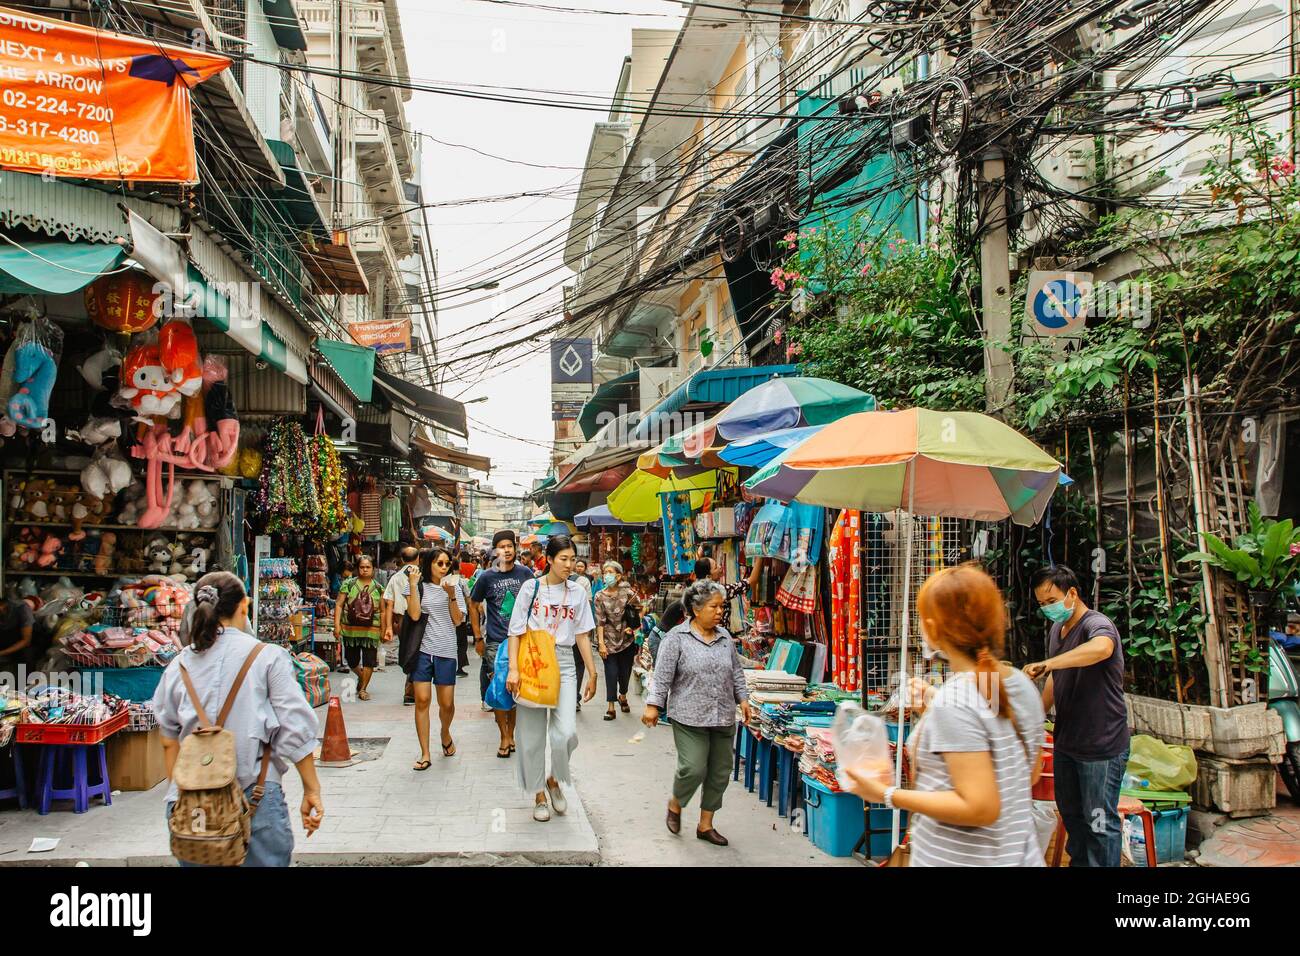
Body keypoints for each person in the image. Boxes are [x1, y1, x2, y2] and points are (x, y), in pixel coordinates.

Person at [843, 563, 1045, 867]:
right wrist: (933, 708)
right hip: (1017, 855)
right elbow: (1025, 773)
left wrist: (887, 793)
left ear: (934, 629)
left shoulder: (957, 700)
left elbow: (979, 806)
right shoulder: (1017, 684)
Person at [152, 572, 323, 867]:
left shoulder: (178, 665)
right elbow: (295, 728)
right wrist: (312, 790)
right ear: (244, 606)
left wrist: (184, 794)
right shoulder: (268, 657)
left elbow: (169, 741)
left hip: (193, 809)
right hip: (255, 797)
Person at [1024, 565, 1128, 867]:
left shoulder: (1096, 624)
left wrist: (1049, 662)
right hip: (1067, 743)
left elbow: (1101, 649)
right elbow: (1056, 679)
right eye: (1042, 604)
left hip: (1102, 746)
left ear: (1072, 593)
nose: (1048, 608)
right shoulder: (1058, 630)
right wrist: (1035, 716)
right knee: (1072, 819)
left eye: (1052, 600)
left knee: (1099, 824)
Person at [643, 580, 751, 847]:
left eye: (721, 606)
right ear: (695, 607)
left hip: (723, 714)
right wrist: (653, 705)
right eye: (714, 606)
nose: (719, 611)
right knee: (692, 767)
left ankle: (705, 825)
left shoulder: (724, 637)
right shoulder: (676, 638)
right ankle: (676, 802)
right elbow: (663, 675)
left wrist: (744, 698)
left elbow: (735, 671)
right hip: (689, 716)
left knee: (719, 771)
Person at [506, 534, 598, 822]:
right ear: (550, 559)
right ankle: (538, 796)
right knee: (531, 737)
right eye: (564, 559)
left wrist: (592, 672)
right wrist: (513, 669)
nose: (570, 565)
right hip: (532, 660)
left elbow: (582, 634)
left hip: (565, 663)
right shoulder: (531, 588)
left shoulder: (579, 592)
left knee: (567, 732)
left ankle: (555, 779)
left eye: (573, 559)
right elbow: (515, 631)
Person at [470, 530, 533, 757]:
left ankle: (512, 733)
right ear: (495, 550)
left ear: (515, 549)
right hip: (496, 642)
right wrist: (478, 637)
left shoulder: (525, 573)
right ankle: (504, 736)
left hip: (522, 641)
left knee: (515, 691)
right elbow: (473, 604)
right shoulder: (486, 577)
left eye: (510, 546)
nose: (506, 550)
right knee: (498, 691)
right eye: (502, 546)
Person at [404, 547, 466, 770]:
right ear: (429, 563)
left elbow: (458, 621)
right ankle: (425, 753)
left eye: (447, 564)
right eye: (439, 563)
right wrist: (412, 584)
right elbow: (414, 615)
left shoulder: (455, 587)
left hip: (447, 651)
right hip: (422, 651)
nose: (443, 567)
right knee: (421, 700)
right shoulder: (416, 585)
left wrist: (450, 595)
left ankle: (445, 731)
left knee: (446, 703)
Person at [594, 560, 642, 721]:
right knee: (611, 672)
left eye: (610, 572)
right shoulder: (599, 596)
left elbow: (640, 609)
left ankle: (623, 695)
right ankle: (611, 707)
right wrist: (601, 643)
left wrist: (633, 627)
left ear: (619, 575)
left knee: (624, 673)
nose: (607, 575)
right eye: (605, 572)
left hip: (627, 640)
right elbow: (600, 622)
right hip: (608, 641)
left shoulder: (628, 593)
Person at [335, 556, 385, 700]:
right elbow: (339, 604)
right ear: (358, 568)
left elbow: (382, 610)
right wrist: (336, 626)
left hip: (372, 630)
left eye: (368, 567)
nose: (365, 570)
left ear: (373, 569)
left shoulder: (379, 588)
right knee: (351, 660)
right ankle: (362, 676)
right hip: (350, 629)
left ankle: (363, 689)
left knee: (369, 660)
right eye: (362, 567)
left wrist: (384, 628)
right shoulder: (348, 584)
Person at [384, 546, 421, 705]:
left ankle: (411, 688)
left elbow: (389, 604)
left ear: (402, 560)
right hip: (419, 618)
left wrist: (389, 627)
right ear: (418, 558)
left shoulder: (395, 578)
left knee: (407, 651)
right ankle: (410, 689)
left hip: (401, 620)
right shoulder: (423, 575)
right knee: (415, 651)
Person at [694, 555, 764, 633]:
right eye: (716, 567)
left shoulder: (696, 591)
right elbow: (752, 581)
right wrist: (761, 555)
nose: (720, 566)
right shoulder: (717, 592)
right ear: (708, 577)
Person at [570, 558, 594, 711]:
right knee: (577, 664)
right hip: (576, 630)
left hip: (577, 631)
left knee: (578, 663)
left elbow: (588, 606)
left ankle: (572, 698)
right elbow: (588, 605)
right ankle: (573, 698)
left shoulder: (584, 582)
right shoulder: (583, 582)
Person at [445, 554, 473, 677]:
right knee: (460, 643)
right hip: (458, 620)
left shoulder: (453, 583)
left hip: (454, 618)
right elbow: (468, 599)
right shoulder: (458, 582)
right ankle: (458, 667)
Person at [0, 593, 35, 675]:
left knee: (27, 655)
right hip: (6, 636)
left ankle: (24, 682)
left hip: (23, 641)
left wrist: (2, 653)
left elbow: (26, 641)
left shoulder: (22, 608)